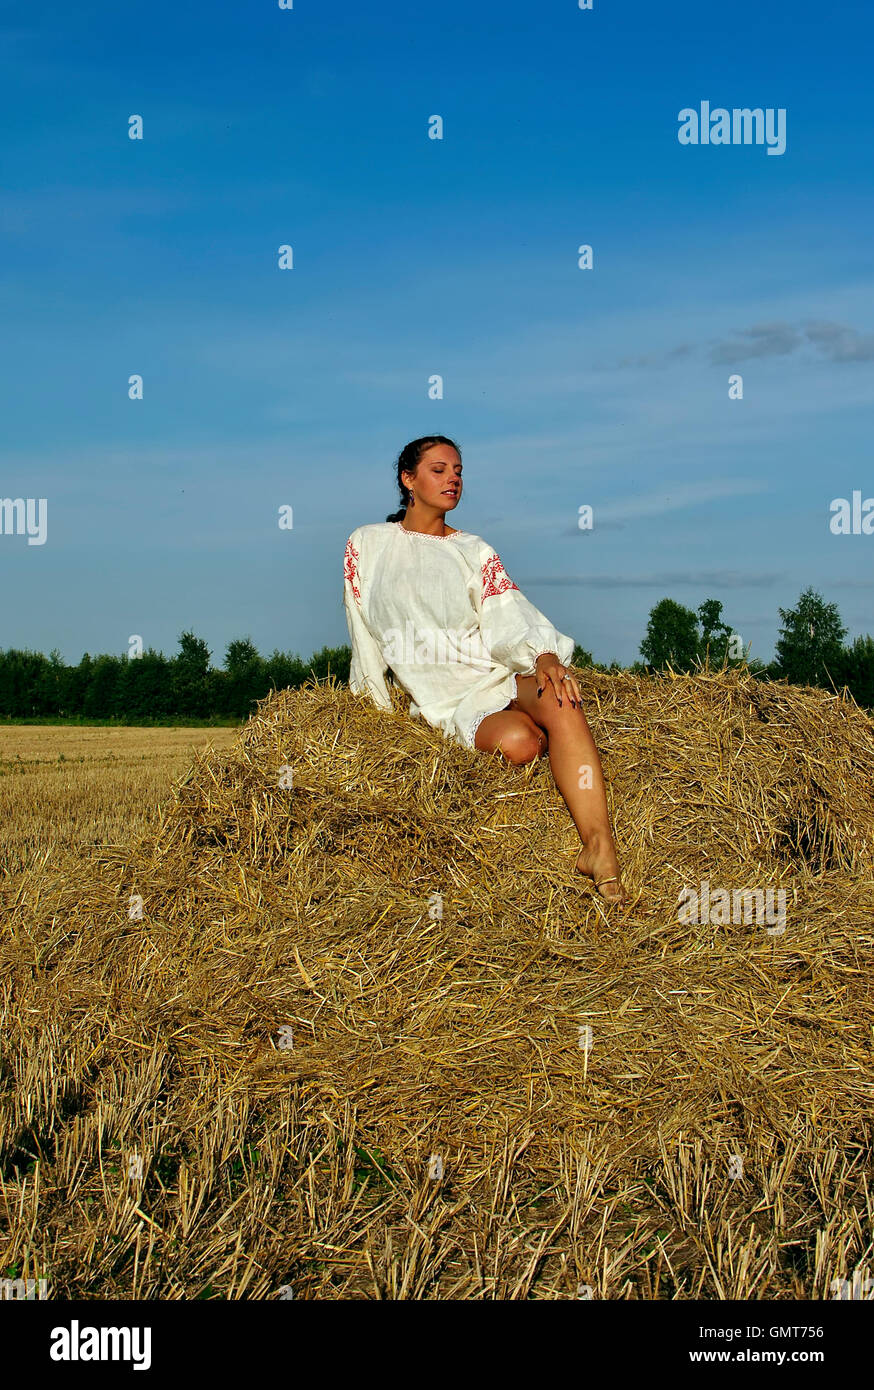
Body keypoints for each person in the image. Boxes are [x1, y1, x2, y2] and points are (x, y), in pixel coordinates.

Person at [343, 435, 628, 904]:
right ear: (407, 479)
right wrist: (373, 715)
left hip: (494, 673)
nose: (453, 478)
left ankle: (599, 848)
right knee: (520, 744)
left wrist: (545, 656)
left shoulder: (475, 550)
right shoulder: (367, 544)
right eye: (439, 470)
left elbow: (506, 615)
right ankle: (536, 740)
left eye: (458, 470)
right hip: (445, 699)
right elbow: (363, 631)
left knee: (562, 696)